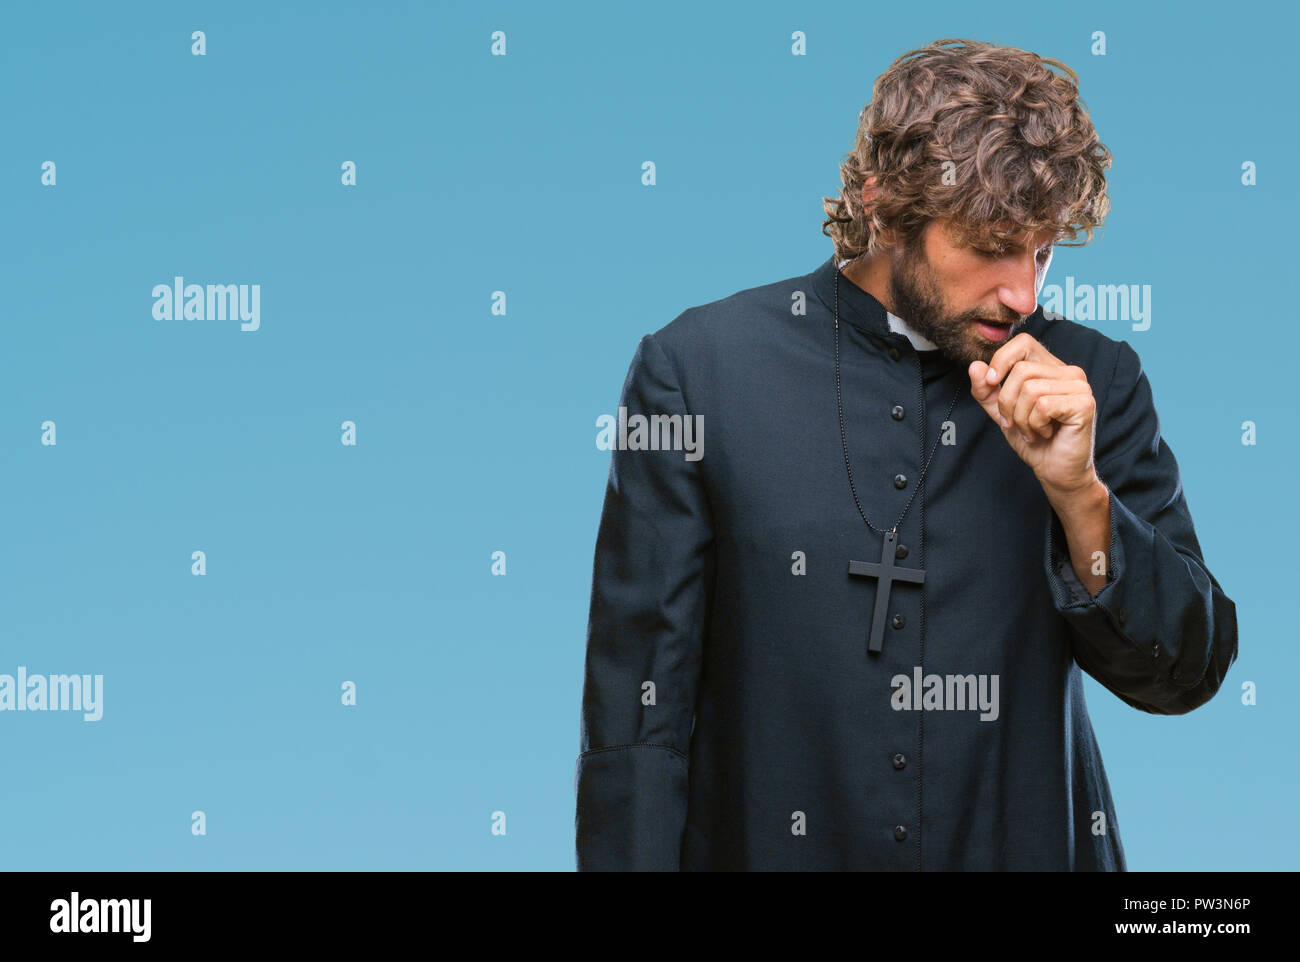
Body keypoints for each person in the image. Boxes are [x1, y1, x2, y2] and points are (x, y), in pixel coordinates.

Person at [574, 38, 1238, 871]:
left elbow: (1184, 675)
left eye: (1042, 250)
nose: (1022, 294)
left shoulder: (1093, 382)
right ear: (884, 207)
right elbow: (640, 726)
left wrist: (1081, 497)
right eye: (992, 242)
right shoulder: (697, 372)